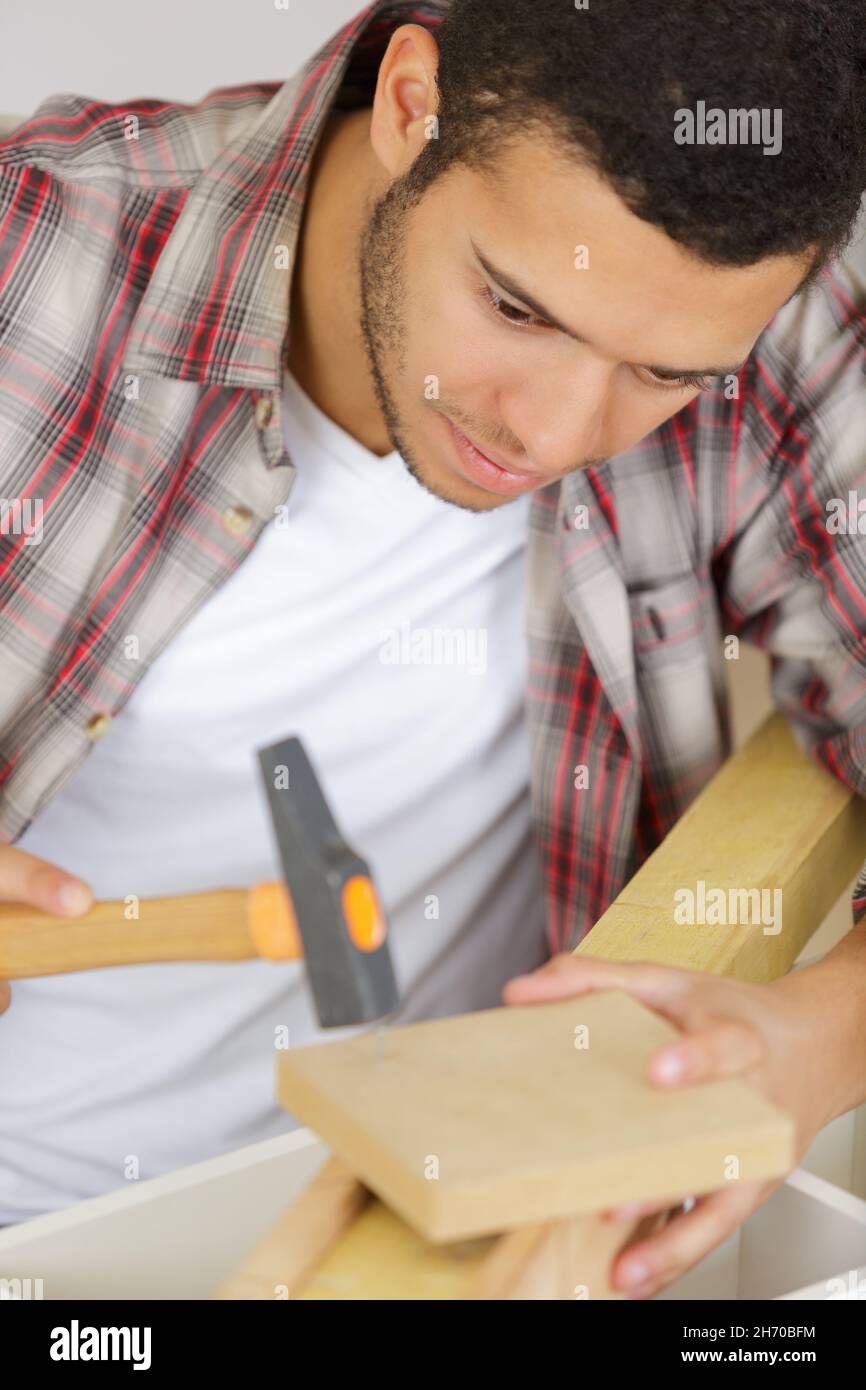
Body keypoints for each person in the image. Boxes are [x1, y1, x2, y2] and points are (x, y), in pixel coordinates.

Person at [0, 0, 865, 1296]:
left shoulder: (764, 298)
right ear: (412, 101)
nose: (558, 430)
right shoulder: (33, 262)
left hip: (450, 1228)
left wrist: (819, 1037)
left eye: (667, 376)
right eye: (517, 308)